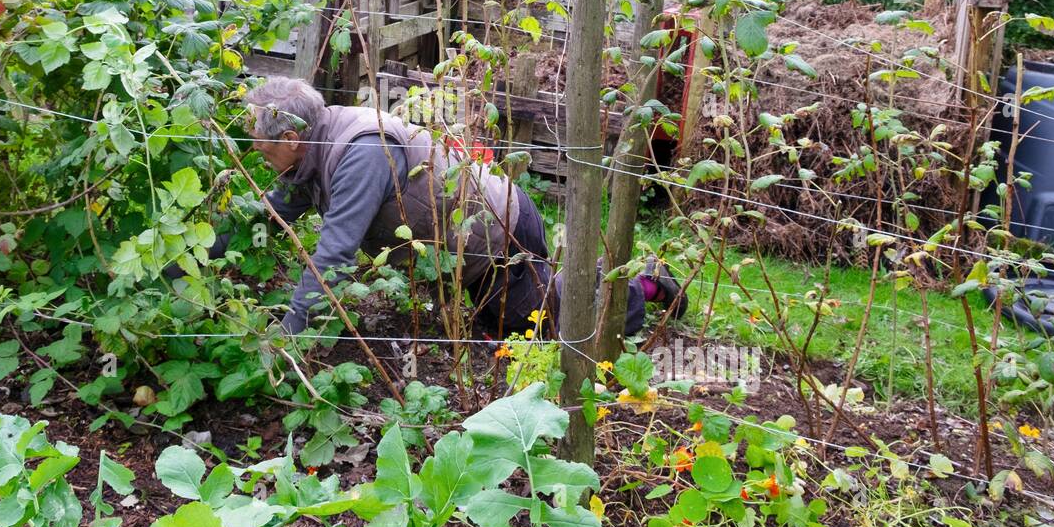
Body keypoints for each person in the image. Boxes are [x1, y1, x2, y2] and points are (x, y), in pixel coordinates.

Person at [175, 76, 687, 338]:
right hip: (469, 242)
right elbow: (269, 214)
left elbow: (332, 252)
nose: (262, 164)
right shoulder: (312, 150)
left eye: (264, 153)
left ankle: (638, 284)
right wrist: (189, 259)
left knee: (549, 326)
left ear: (290, 138)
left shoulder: (358, 152)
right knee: (509, 323)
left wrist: (292, 324)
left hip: (495, 229)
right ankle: (592, 278)